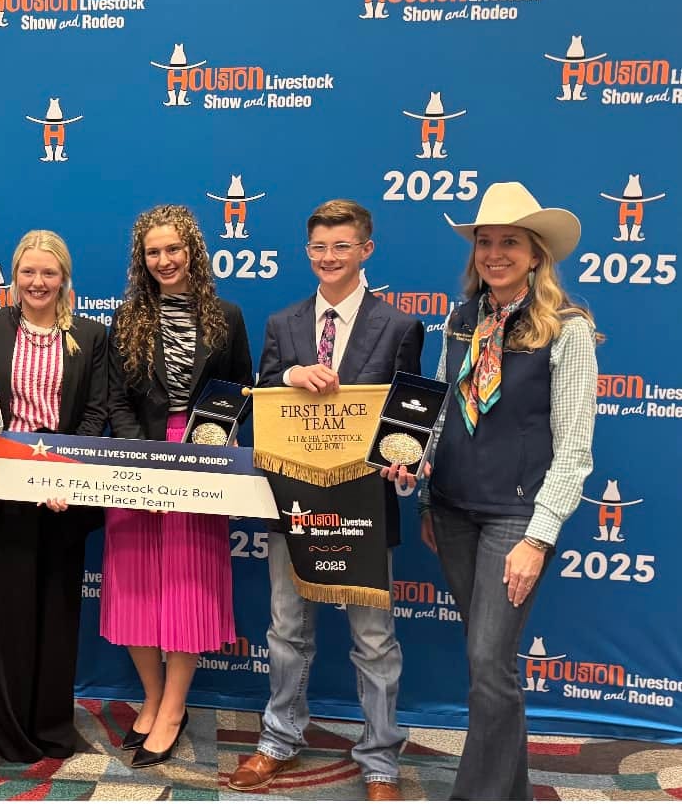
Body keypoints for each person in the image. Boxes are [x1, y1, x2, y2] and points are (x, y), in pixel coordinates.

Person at [399, 181, 598, 800]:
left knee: (488, 663)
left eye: (510, 242)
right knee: (488, 667)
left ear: (536, 253)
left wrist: (539, 538)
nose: (495, 254)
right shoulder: (463, 321)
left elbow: (574, 450)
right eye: (485, 242)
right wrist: (425, 491)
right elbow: (439, 413)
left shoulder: (567, 331)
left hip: (518, 518)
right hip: (455, 509)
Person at [229, 199, 423, 800]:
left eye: (342, 246)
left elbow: (407, 420)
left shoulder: (398, 326)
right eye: (318, 247)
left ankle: (382, 762)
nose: (329, 258)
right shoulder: (283, 324)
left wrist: (407, 462)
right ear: (306, 251)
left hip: (364, 504)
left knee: (373, 638)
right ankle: (278, 740)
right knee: (287, 629)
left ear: (367, 250)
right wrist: (288, 377)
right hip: (295, 504)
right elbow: (257, 394)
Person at [103, 204, 253, 768]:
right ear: (142, 260)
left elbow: (241, 388)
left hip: (202, 461)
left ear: (193, 251)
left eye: (174, 249)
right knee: (135, 580)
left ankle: (173, 706)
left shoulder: (227, 315)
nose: (165, 261)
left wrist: (214, 442)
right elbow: (116, 398)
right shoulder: (126, 319)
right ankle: (150, 694)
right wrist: (137, 456)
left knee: (189, 579)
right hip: (137, 457)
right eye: (153, 252)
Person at [0, 230, 108, 763]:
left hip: (64, 500)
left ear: (64, 278)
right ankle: (4, 730)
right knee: (6, 618)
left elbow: (96, 411)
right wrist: (20, 473)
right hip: (4, 496)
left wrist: (63, 477)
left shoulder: (91, 336)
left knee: (56, 614)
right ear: (15, 275)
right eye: (28, 272)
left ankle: (51, 727)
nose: (37, 282)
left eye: (49, 273)